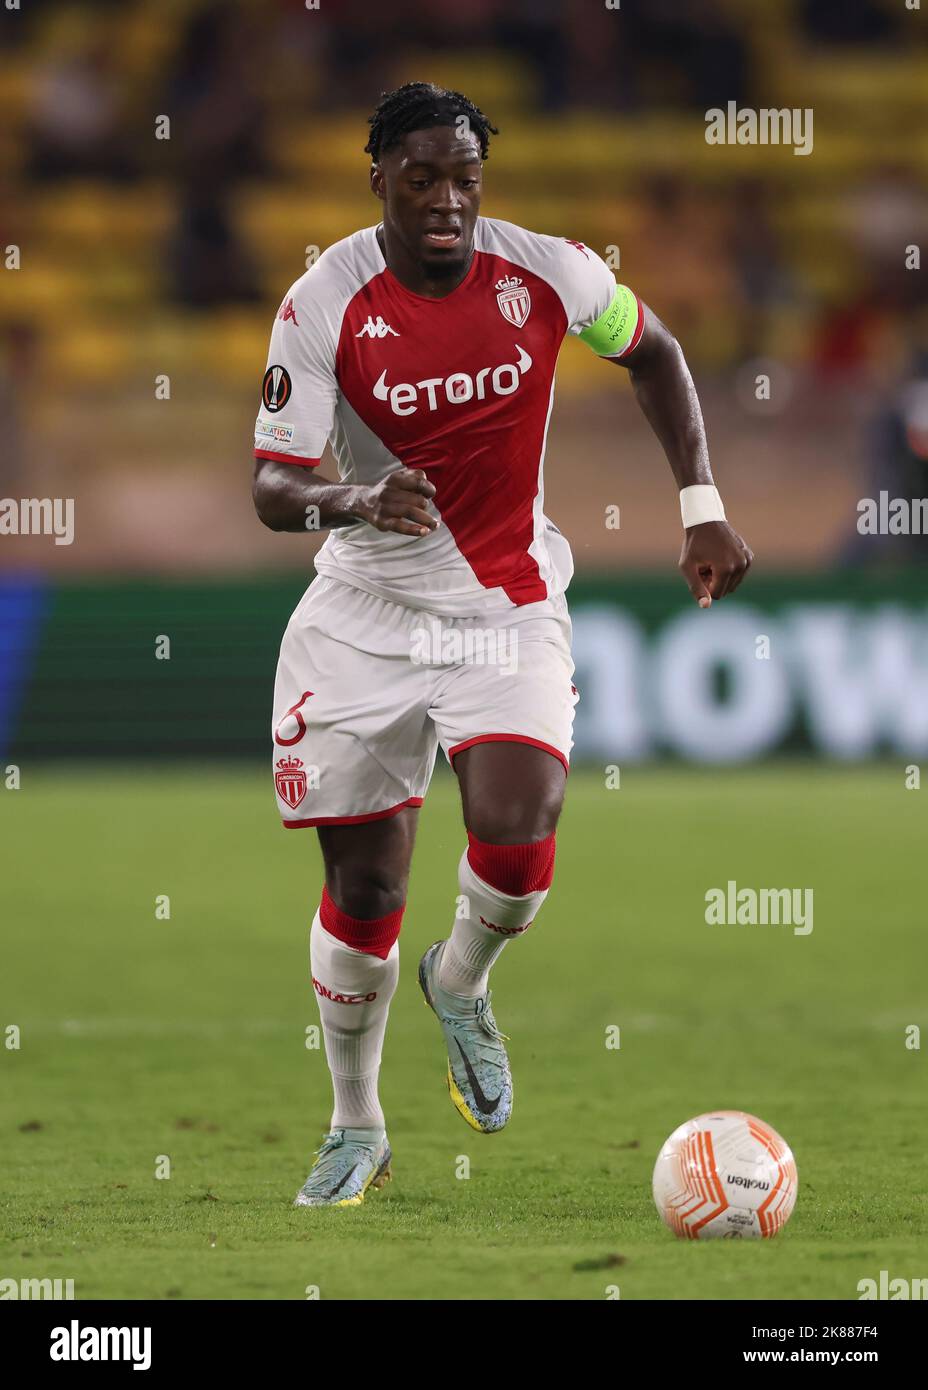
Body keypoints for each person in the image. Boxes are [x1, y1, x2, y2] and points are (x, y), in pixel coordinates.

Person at [251, 82, 753, 1207]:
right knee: (367, 886)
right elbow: (272, 487)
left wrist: (700, 503)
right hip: (362, 621)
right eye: (420, 176)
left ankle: (461, 978)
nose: (446, 199)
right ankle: (355, 1124)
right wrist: (351, 496)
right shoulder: (322, 302)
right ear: (377, 175)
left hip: (503, 606)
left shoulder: (548, 272)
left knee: (519, 831)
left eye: (464, 177)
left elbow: (657, 352)